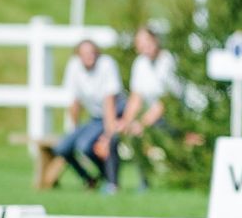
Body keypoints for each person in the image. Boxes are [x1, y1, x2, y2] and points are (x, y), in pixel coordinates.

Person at [54, 39, 126, 194]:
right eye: (85, 53)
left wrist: (108, 135)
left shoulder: (106, 64)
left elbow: (109, 103)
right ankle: (89, 179)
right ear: (78, 55)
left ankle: (109, 179)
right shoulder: (74, 67)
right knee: (62, 147)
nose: (89, 56)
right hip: (95, 118)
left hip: (114, 114)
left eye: (92, 53)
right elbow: (74, 102)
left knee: (85, 146)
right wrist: (74, 130)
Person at [113, 24, 180, 190]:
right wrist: (126, 121)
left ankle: (154, 179)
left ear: (156, 40)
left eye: (147, 42)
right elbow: (136, 97)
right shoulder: (140, 63)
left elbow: (167, 101)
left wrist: (142, 124)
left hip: (176, 115)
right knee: (122, 134)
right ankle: (119, 182)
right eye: (140, 44)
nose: (145, 47)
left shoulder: (168, 60)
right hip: (154, 116)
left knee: (139, 133)